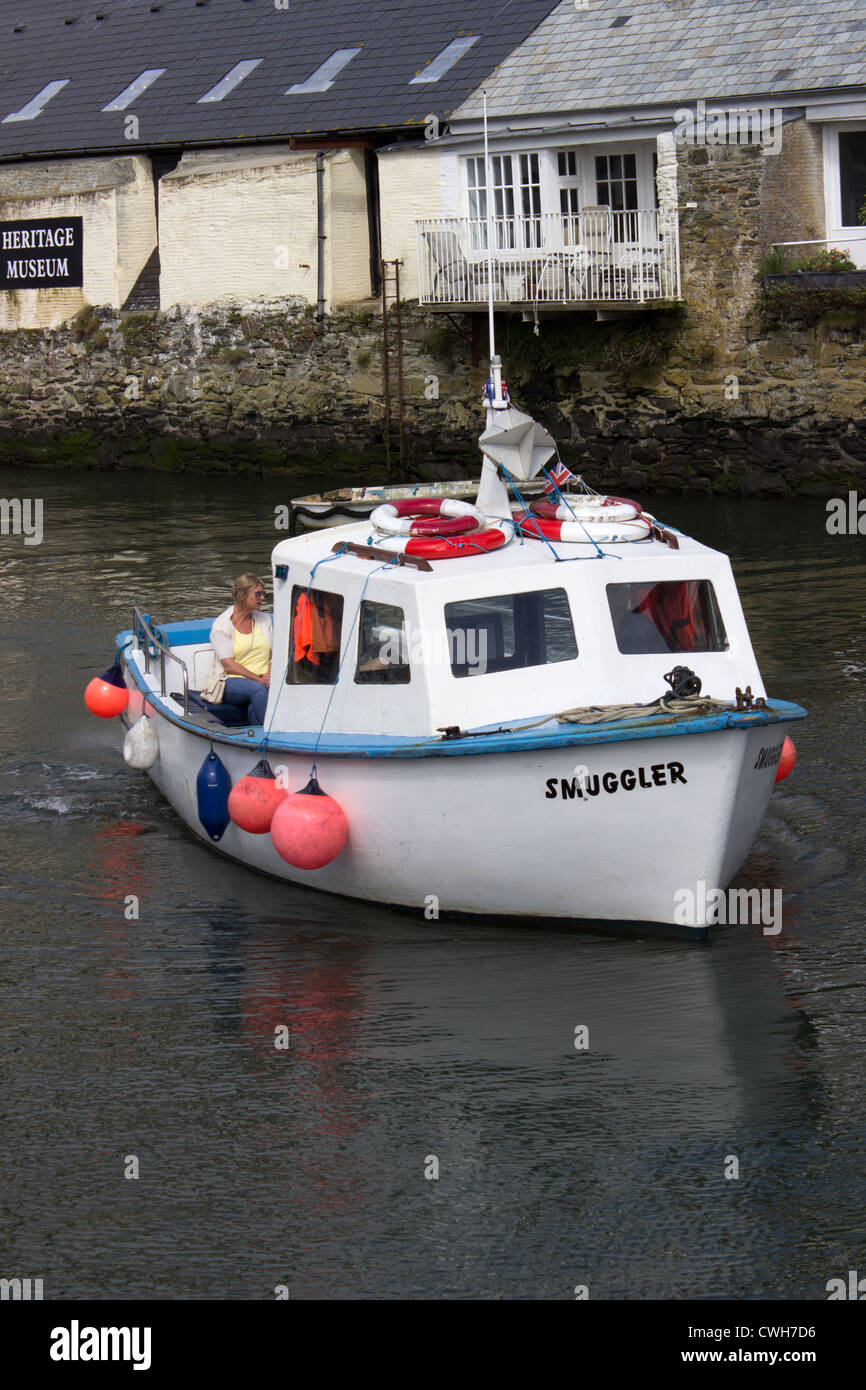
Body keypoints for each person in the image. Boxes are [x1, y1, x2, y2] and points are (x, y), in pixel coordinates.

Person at [210, 574, 273, 724]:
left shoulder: (264, 620)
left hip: (265, 678)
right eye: (258, 594)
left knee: (254, 705)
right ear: (242, 595)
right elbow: (229, 665)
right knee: (258, 690)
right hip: (232, 680)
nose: (262, 598)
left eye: (263, 593)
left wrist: (270, 674)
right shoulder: (221, 625)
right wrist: (259, 679)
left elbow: (274, 655)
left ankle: (257, 739)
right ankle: (274, 735)